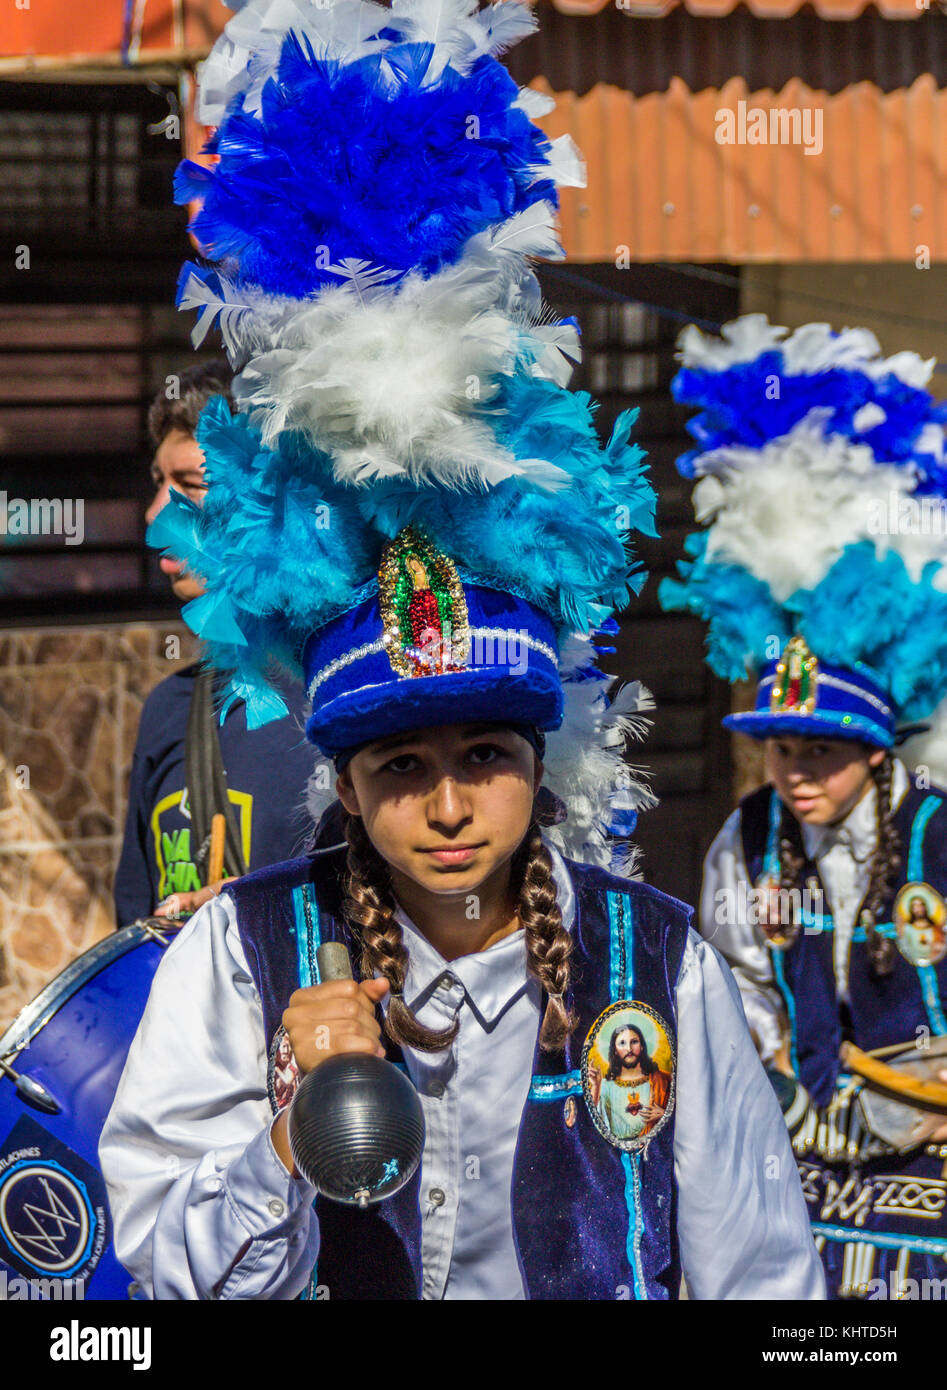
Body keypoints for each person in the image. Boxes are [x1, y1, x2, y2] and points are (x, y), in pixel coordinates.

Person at [99, 0, 823, 1301]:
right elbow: (163, 1285)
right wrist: (291, 1127)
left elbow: (759, 1280)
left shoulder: (654, 962)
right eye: (398, 765)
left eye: (482, 754)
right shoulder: (240, 954)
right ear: (347, 776)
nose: (442, 805)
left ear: (534, 756)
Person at [661, 312, 947, 1299]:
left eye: (816, 752)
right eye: (779, 749)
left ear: (871, 752)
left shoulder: (938, 832)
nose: (791, 771)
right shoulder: (745, 842)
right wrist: (762, 1063)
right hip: (797, 1154)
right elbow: (735, 982)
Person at [114, 361, 317, 926]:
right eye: (158, 484)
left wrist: (265, 913)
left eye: (190, 484)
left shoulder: (346, 687)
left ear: (270, 497)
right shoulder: (167, 711)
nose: (157, 513)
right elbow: (131, 945)